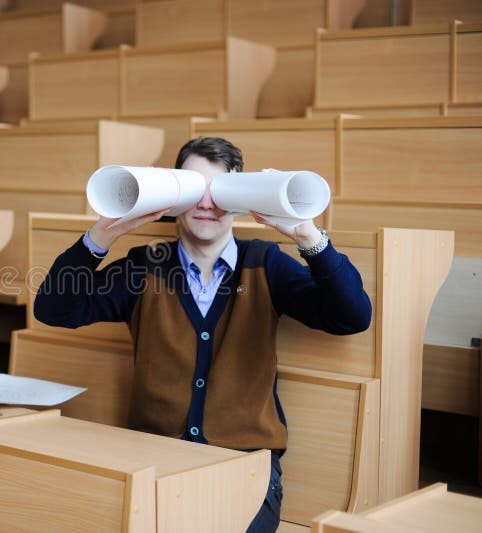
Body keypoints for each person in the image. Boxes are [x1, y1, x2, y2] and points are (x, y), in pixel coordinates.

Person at [33, 137, 372, 532]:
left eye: (221, 191)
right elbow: (54, 310)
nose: (207, 204)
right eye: (195, 189)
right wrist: (102, 236)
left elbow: (352, 316)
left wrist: (309, 238)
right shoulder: (145, 267)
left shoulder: (265, 265)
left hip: (245, 466)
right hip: (154, 459)